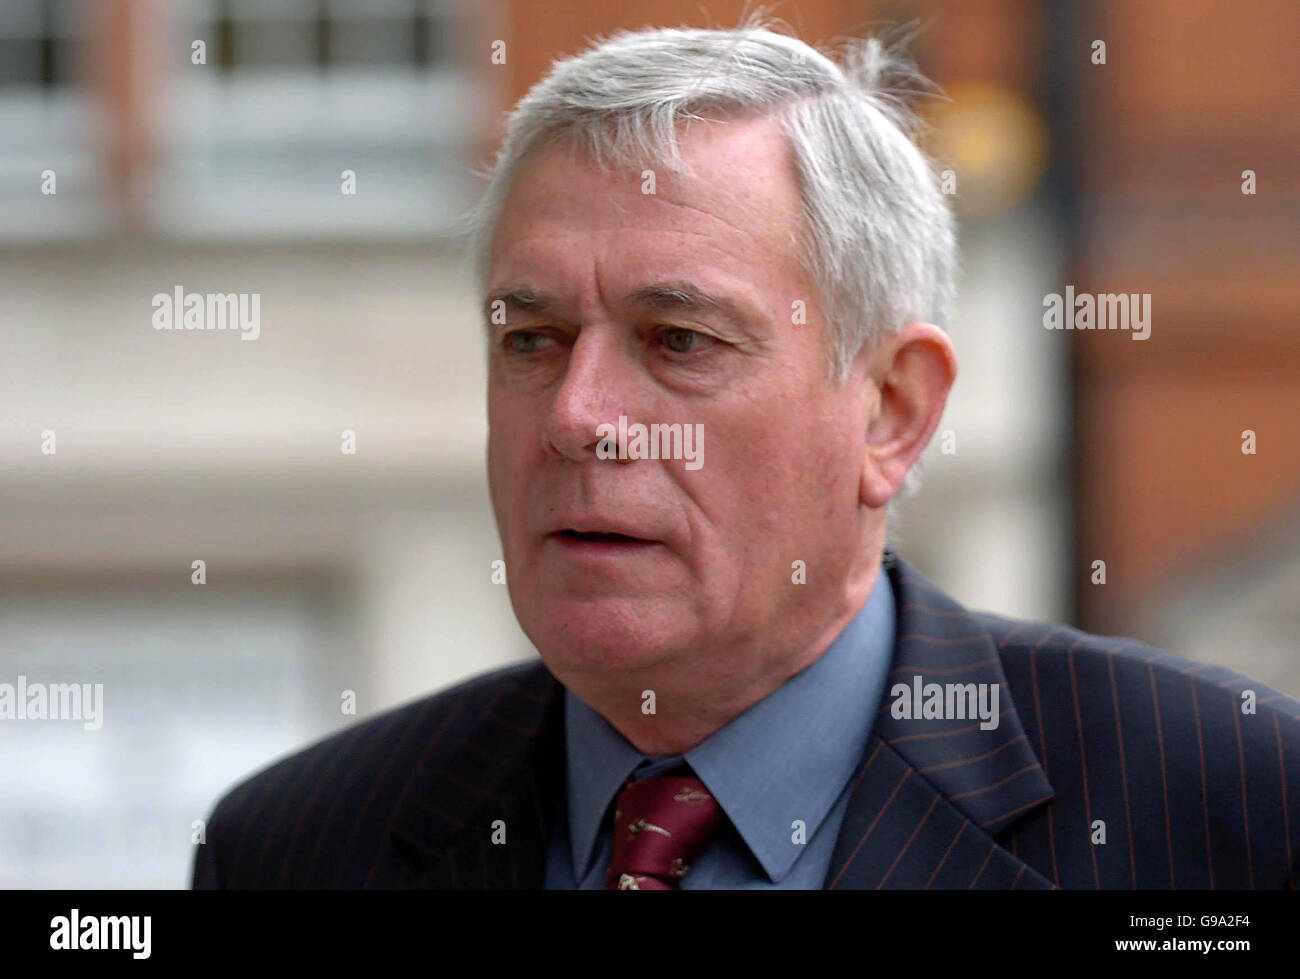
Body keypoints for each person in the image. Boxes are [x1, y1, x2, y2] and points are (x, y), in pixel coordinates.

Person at [192, 20, 1300, 890]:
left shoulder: (1225, 806)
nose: (577, 415)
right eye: (531, 339)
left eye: (678, 340)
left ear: (890, 411)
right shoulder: (296, 846)